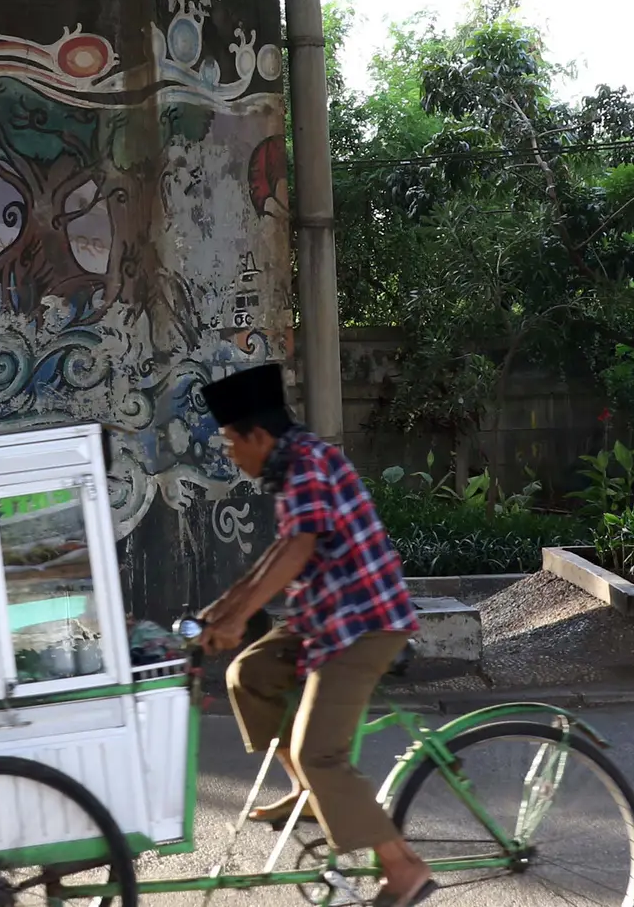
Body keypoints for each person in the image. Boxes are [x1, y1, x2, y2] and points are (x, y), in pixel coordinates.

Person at [196, 363, 435, 906]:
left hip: (363, 624)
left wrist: (236, 617)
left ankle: (402, 870)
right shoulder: (290, 470)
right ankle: (307, 792)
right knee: (248, 673)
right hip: (322, 619)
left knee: (319, 751)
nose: (231, 453)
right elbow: (281, 554)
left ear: (259, 435)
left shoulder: (309, 463)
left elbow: (298, 549)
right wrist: (225, 609)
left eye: (233, 441)